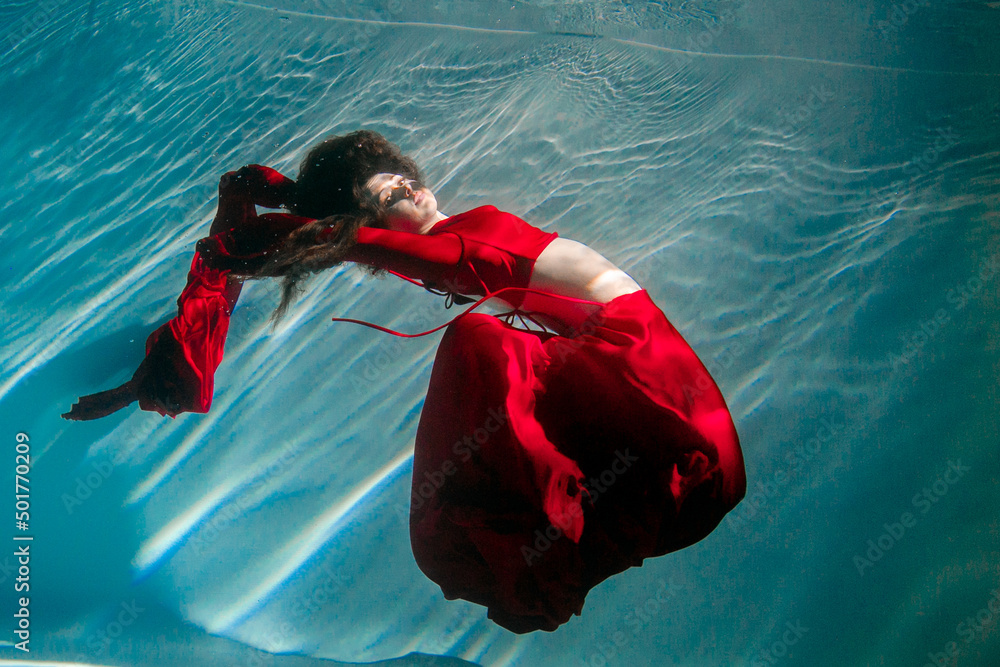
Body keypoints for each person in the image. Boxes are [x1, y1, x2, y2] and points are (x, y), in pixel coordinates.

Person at [63, 130, 747, 633]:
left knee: (477, 340)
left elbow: (426, 257)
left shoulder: (475, 230)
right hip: (669, 456)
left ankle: (547, 558)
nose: (414, 189)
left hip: (667, 416)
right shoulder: (427, 257)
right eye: (391, 193)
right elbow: (392, 256)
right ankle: (552, 553)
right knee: (470, 412)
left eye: (407, 179)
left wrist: (307, 226)